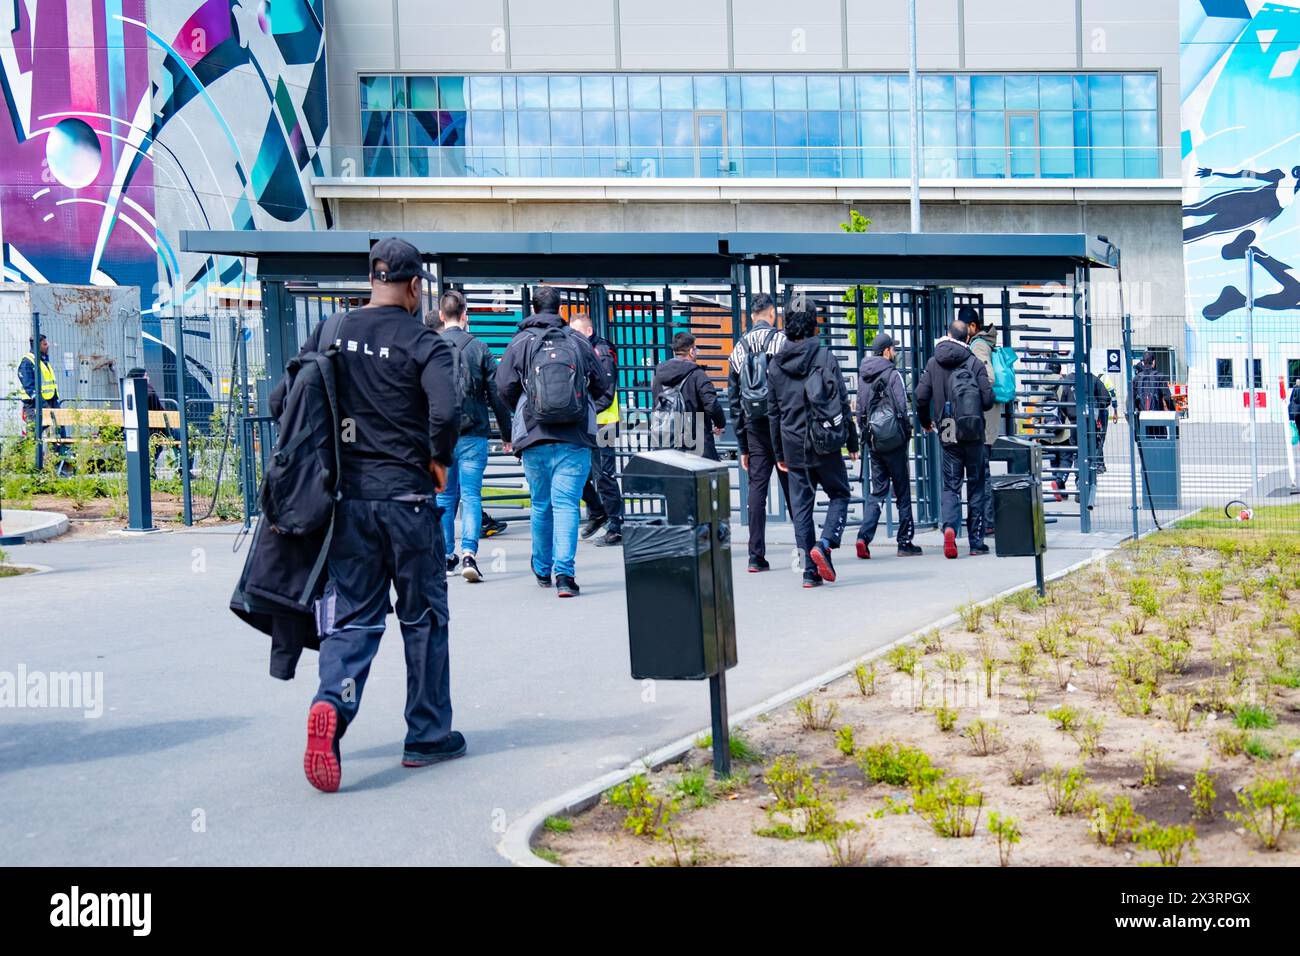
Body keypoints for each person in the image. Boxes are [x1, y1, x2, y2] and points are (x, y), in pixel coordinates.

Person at [290, 237, 464, 792]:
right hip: (409, 503)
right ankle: (428, 734)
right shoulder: (425, 343)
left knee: (355, 619)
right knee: (423, 618)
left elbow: (284, 399)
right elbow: (447, 411)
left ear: (372, 279)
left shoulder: (330, 333)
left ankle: (332, 706)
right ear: (415, 287)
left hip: (348, 506)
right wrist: (437, 461)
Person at [496, 286, 610, 598]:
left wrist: (525, 406)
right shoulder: (576, 340)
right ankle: (564, 575)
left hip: (534, 436)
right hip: (574, 436)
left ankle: (543, 569)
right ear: (559, 307)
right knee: (566, 506)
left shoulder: (521, 342)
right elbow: (601, 384)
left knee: (541, 505)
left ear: (532, 307)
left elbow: (503, 385)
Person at [768, 307, 859, 588]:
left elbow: (773, 412)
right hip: (826, 441)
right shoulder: (825, 356)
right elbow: (842, 400)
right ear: (814, 328)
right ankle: (826, 542)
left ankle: (809, 571)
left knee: (801, 508)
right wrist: (851, 440)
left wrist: (779, 453)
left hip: (793, 446)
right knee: (840, 493)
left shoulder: (774, 365)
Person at [435, 289, 513, 582]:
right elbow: (497, 396)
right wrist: (506, 434)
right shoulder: (479, 348)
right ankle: (469, 553)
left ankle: (445, 556)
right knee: (471, 496)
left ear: (442, 316)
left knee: (444, 498)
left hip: (440, 436)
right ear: (465, 314)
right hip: (474, 434)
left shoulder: (430, 347)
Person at [916, 317, 994, 559]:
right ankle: (976, 542)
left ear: (947, 334)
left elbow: (919, 396)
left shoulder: (933, 362)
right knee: (976, 485)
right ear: (967, 338)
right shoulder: (974, 362)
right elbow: (988, 400)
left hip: (947, 427)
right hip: (972, 430)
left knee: (951, 485)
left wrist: (926, 421)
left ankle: (950, 528)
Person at [727, 293, 791, 572]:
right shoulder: (781, 341)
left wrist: (742, 444)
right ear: (772, 313)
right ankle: (805, 546)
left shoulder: (737, 349)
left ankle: (755, 555)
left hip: (753, 426)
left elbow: (733, 399)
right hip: (781, 424)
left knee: (757, 489)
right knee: (793, 487)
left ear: (751, 316)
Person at [855, 333, 920, 558]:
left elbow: (859, 411)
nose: (895, 353)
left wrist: (867, 435)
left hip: (874, 442)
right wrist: (906, 433)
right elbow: (902, 408)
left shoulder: (863, 376)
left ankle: (863, 536)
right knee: (902, 491)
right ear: (886, 351)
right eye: (893, 349)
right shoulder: (893, 374)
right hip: (895, 442)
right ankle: (904, 542)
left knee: (878, 491)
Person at [569, 312, 624, 547]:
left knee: (604, 476)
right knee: (577, 472)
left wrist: (582, 412)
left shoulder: (601, 353)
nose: (572, 338)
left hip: (605, 422)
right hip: (591, 422)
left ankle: (616, 525)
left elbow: (605, 392)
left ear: (588, 331)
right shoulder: (584, 351)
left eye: (576, 332)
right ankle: (597, 510)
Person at [651, 331, 726, 460]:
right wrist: (720, 423)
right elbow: (712, 404)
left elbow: (656, 404)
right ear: (691, 351)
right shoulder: (698, 375)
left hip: (667, 441)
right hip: (697, 441)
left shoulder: (659, 376)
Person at [964, 307, 1002, 535]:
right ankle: (986, 519)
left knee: (982, 473)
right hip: (987, 418)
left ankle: (987, 521)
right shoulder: (984, 342)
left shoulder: (978, 345)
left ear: (972, 326)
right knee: (981, 471)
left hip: (983, 420)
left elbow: (987, 377)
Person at [17, 334, 70, 473]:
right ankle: (28, 463)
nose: (48, 346)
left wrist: (53, 403)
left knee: (59, 432)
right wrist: (43, 405)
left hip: (52, 402)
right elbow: (30, 388)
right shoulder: (27, 362)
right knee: (35, 434)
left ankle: (57, 463)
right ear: (37, 346)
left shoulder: (44, 361)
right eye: (45, 344)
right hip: (35, 405)